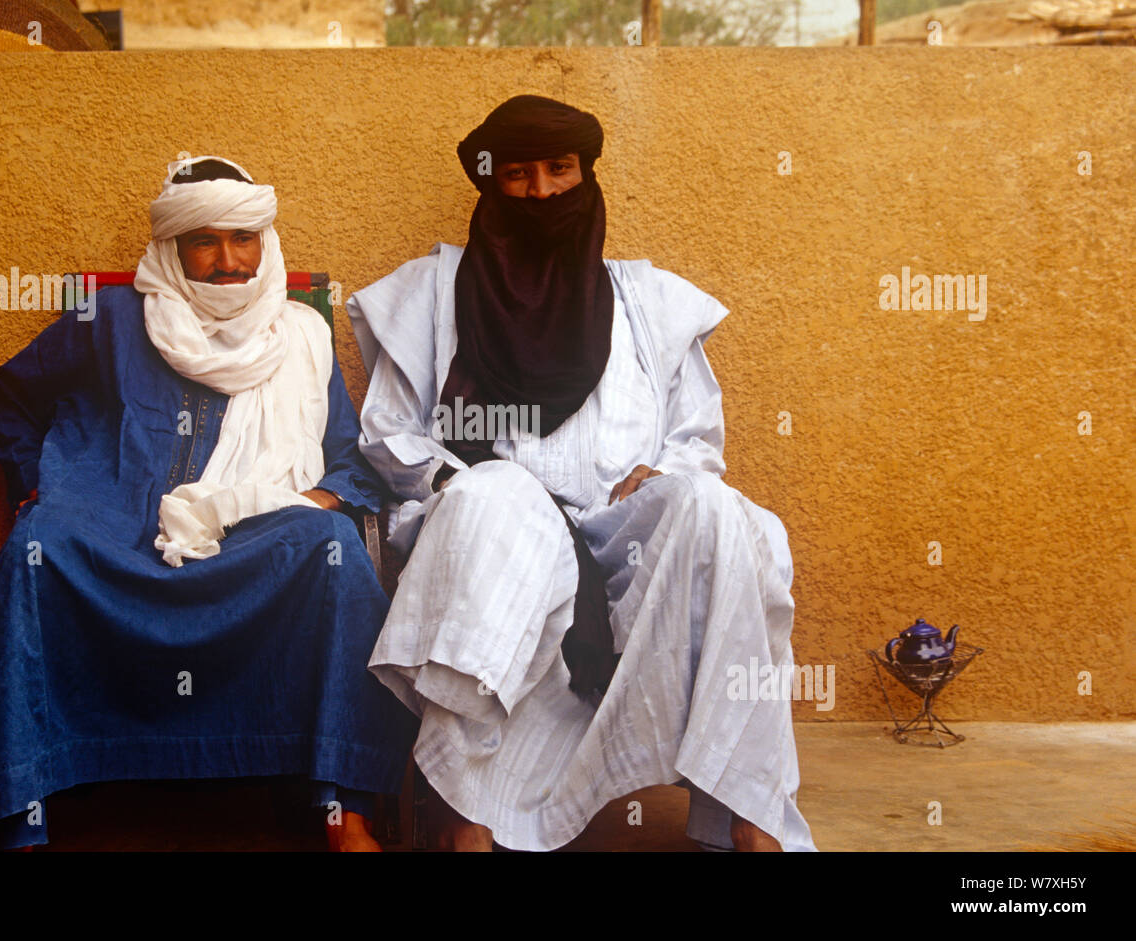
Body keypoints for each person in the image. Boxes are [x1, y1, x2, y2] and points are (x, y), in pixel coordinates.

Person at [346, 96, 816, 852]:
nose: (540, 194)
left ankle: (752, 817)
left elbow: (697, 435)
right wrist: (449, 480)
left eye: (559, 171)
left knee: (719, 511)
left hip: (620, 525)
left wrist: (661, 471)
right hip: (499, 523)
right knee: (494, 498)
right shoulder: (433, 294)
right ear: (489, 186)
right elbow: (392, 436)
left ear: (587, 176)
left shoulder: (648, 301)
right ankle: (465, 819)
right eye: (520, 176)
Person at [0, 155, 416, 852]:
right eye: (205, 240)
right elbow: (15, 395)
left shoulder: (300, 335)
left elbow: (348, 451)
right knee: (36, 550)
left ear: (264, 241)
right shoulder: (107, 317)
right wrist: (34, 490)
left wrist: (324, 493)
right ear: (172, 245)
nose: (228, 260)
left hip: (250, 531)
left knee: (335, 548)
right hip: (110, 525)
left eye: (243, 238)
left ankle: (345, 812)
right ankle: (21, 819)